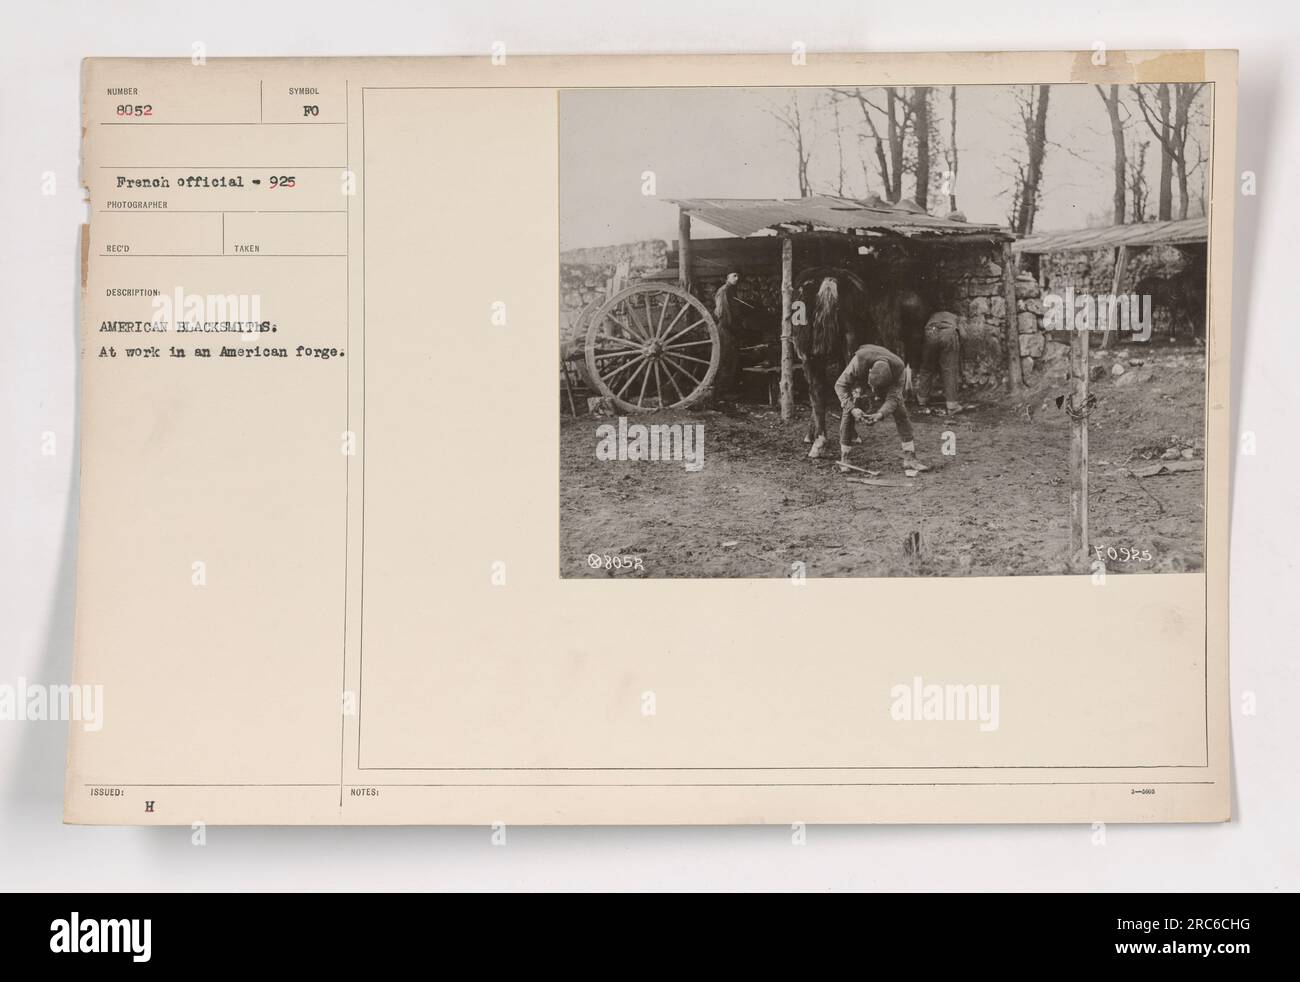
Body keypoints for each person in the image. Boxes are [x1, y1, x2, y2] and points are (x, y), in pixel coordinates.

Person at [833, 343, 924, 473]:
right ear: (869, 372)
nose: (875, 395)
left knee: (900, 410)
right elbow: (840, 386)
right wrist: (852, 408)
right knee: (848, 409)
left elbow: (894, 398)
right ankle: (845, 456)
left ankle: (910, 457)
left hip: (885, 377)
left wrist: (880, 414)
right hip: (862, 375)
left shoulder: (899, 368)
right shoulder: (858, 362)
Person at [914, 309, 963, 414]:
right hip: (948, 332)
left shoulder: (932, 315)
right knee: (949, 369)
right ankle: (952, 405)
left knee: (926, 367)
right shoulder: (954, 316)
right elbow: (962, 335)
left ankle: (922, 399)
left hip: (930, 331)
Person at [712, 271, 743, 399]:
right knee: (725, 358)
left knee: (732, 358)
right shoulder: (724, 290)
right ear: (727, 278)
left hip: (730, 328)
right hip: (725, 328)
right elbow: (723, 310)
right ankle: (721, 392)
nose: (736, 278)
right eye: (734, 276)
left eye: (738, 276)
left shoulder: (732, 290)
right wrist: (730, 326)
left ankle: (727, 390)